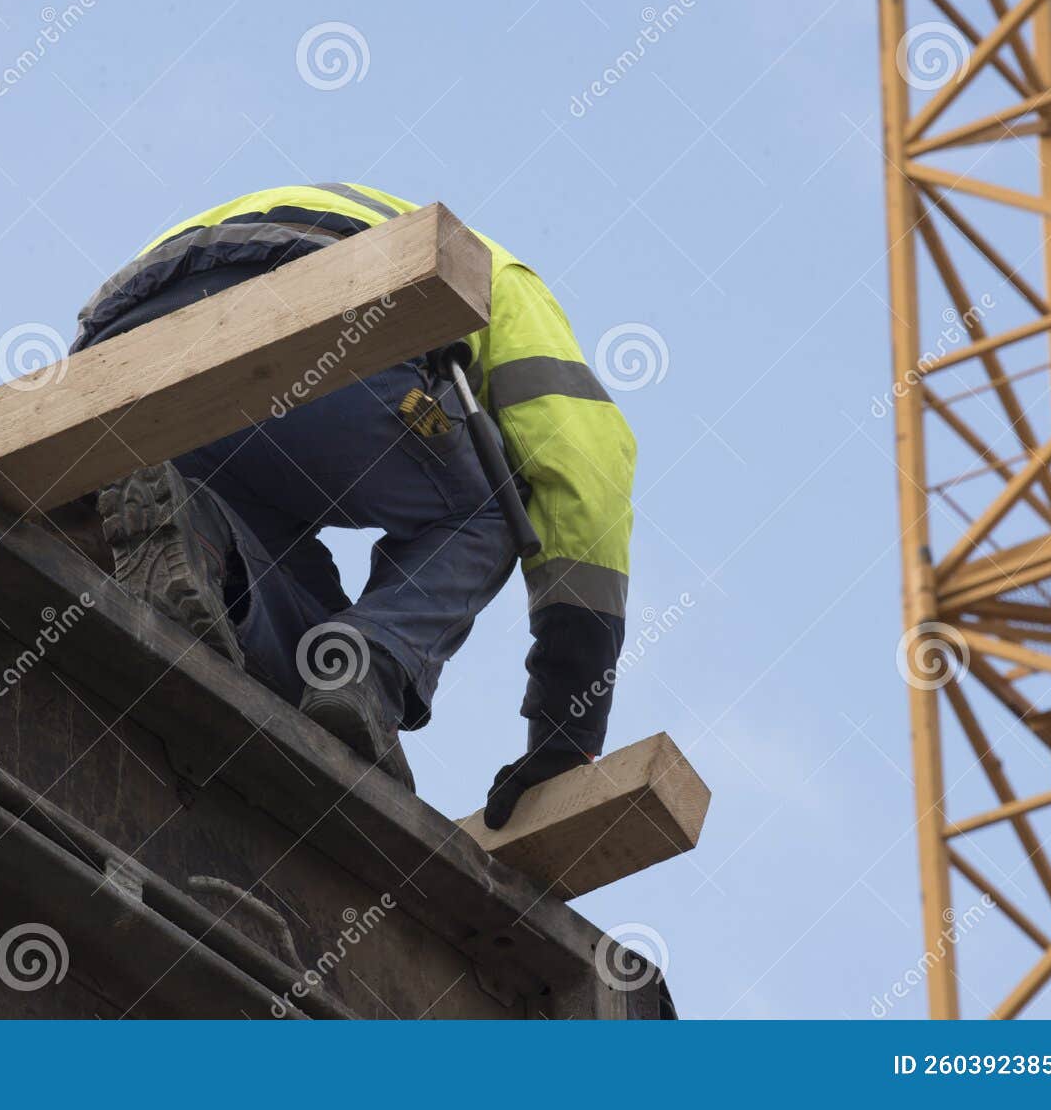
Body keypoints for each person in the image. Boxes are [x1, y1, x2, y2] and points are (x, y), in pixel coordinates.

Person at [74, 183, 635, 827]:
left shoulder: (294, 204)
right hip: (324, 315)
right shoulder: (504, 277)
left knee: (285, 584)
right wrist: (567, 726)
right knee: (494, 507)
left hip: (128, 364)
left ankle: (210, 549)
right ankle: (368, 669)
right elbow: (585, 468)